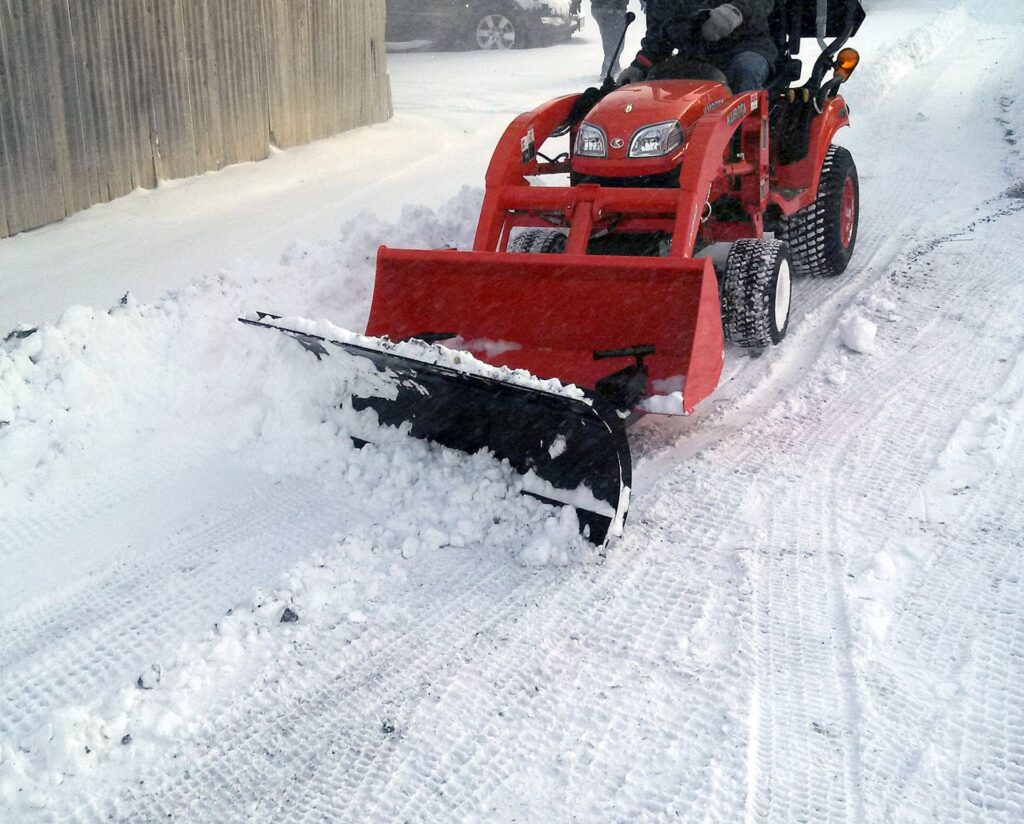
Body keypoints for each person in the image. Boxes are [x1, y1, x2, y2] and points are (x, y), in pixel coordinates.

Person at [616, 0, 777, 92]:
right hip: (694, 56)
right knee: (657, 84)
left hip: (745, 47)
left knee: (745, 72)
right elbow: (658, 37)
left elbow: (760, 3)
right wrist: (640, 66)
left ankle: (745, 135)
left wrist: (735, 12)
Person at [591, 0, 630, 80]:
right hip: (613, 8)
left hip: (603, 7)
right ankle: (608, 70)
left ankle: (613, 67)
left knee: (611, 39)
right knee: (616, 41)